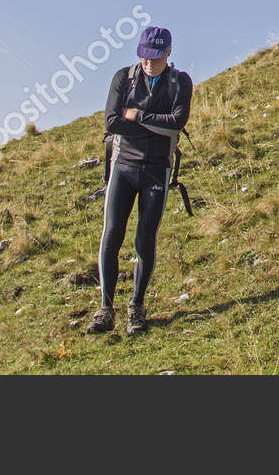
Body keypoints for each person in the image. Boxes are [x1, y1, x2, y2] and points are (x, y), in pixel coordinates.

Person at [88, 25, 192, 335]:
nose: (148, 63)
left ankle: (136, 306)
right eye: (144, 56)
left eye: (155, 57)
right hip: (122, 166)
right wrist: (155, 127)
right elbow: (111, 121)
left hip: (156, 169)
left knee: (144, 240)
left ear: (168, 54)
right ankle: (105, 308)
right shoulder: (123, 78)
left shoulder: (179, 82)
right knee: (112, 235)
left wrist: (138, 116)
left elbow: (178, 121)